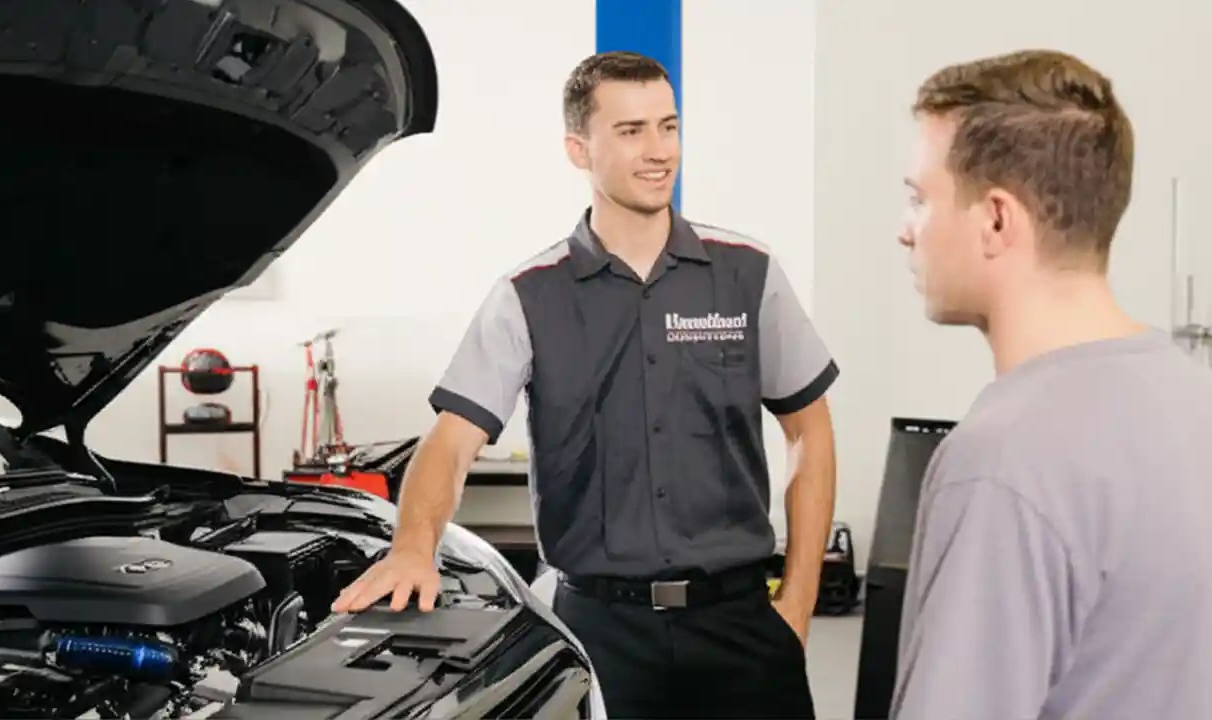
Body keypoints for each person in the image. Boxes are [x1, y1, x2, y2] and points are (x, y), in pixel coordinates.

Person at [331, 50, 838, 719]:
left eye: (669, 126)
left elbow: (812, 431)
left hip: (741, 625)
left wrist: (797, 602)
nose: (659, 151)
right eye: (631, 132)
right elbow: (451, 443)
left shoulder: (748, 273)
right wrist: (414, 547)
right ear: (579, 149)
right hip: (598, 630)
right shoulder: (527, 296)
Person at [891, 48, 1212, 720]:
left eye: (920, 199)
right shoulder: (1192, 399)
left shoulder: (1006, 461)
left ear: (997, 220)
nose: (905, 232)